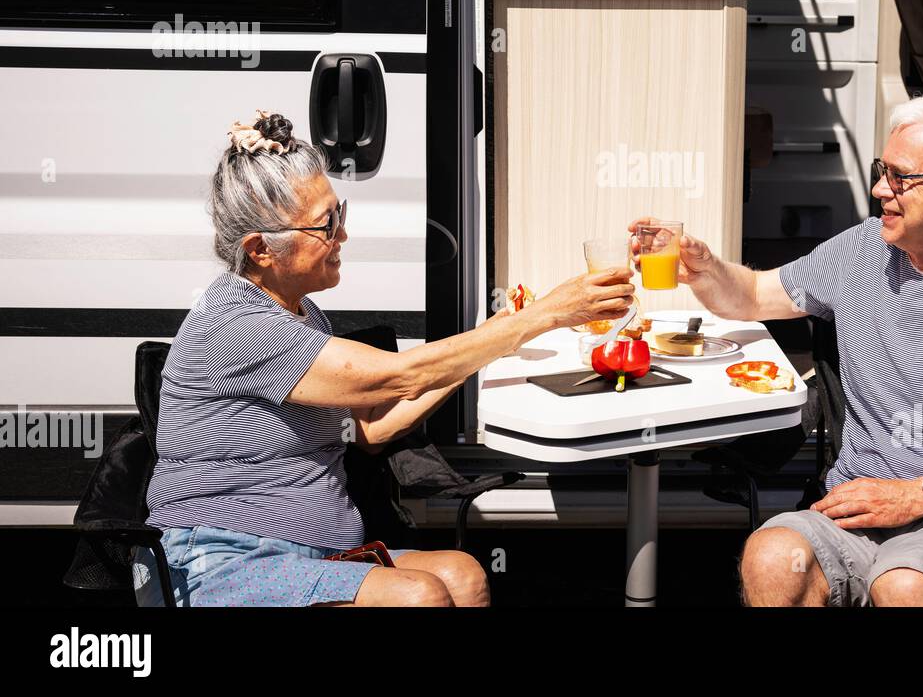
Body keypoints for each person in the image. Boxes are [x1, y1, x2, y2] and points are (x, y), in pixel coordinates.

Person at [132, 109, 634, 606]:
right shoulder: (237, 328)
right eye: (325, 226)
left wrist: (491, 344)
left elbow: (372, 430)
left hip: (316, 549)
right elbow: (400, 376)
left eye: (339, 214)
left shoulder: (300, 312)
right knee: (418, 595)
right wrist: (535, 319)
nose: (342, 236)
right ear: (261, 249)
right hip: (223, 561)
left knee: (463, 576)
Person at [629, 92, 923, 606]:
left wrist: (921, 492)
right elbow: (755, 296)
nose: (879, 189)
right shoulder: (862, 248)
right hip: (858, 500)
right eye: (882, 170)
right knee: (771, 556)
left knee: (904, 584)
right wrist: (707, 267)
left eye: (901, 178)